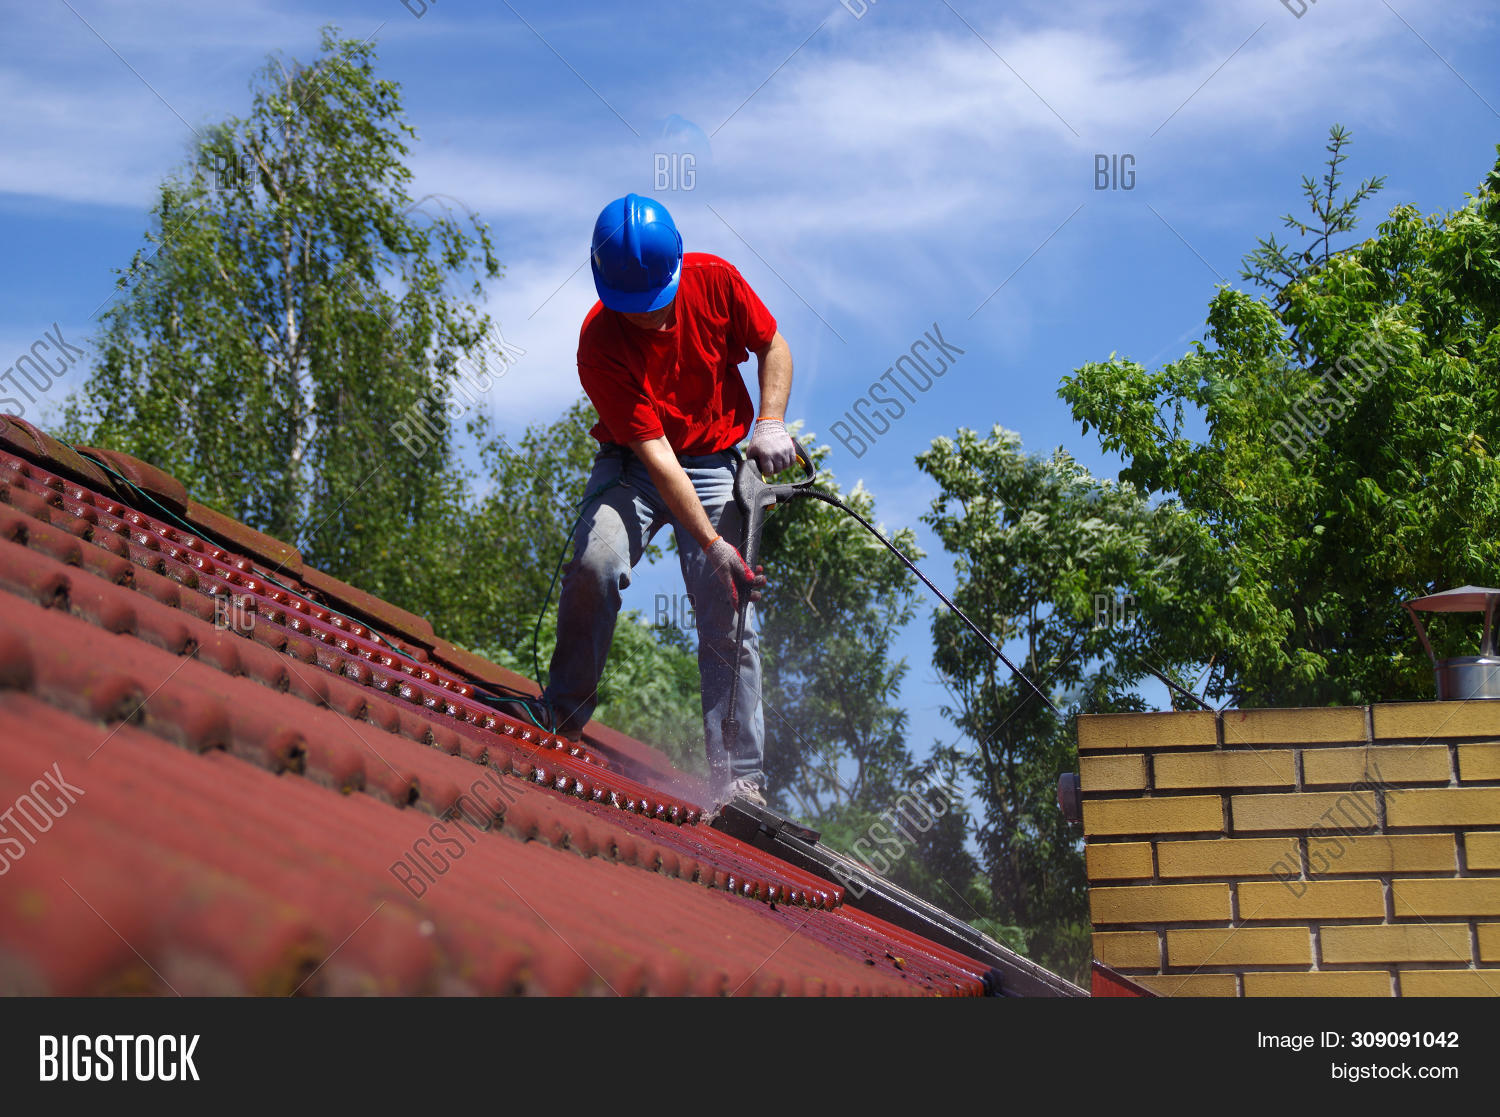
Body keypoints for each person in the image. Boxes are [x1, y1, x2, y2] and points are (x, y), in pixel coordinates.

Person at [535, 193, 796, 807]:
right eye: (634, 308)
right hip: (638, 465)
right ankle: (562, 717)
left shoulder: (716, 280)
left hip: (715, 457)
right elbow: (657, 457)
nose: (648, 318)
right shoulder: (599, 343)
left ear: (677, 266)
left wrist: (770, 421)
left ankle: (738, 778)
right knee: (596, 563)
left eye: (656, 303)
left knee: (728, 607)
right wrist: (712, 543)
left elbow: (774, 345)